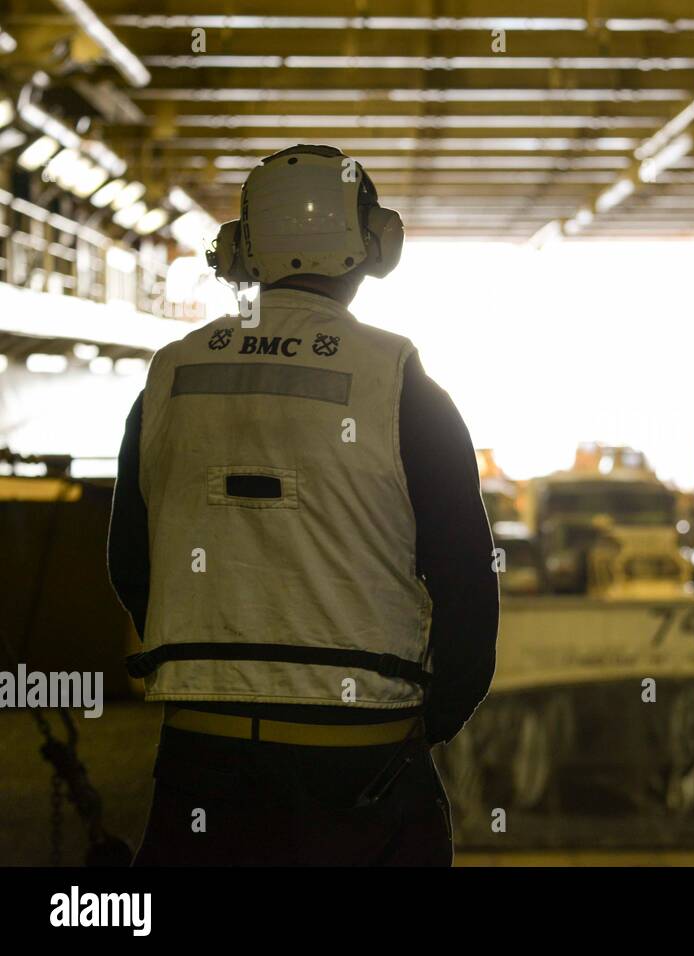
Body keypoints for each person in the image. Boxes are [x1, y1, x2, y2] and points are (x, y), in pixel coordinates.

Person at [108, 144, 498, 866]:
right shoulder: (405, 384)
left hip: (200, 759)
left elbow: (130, 561)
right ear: (376, 245)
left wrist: (214, 669)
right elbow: (469, 588)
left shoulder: (169, 374)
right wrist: (424, 726)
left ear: (241, 249)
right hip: (360, 765)